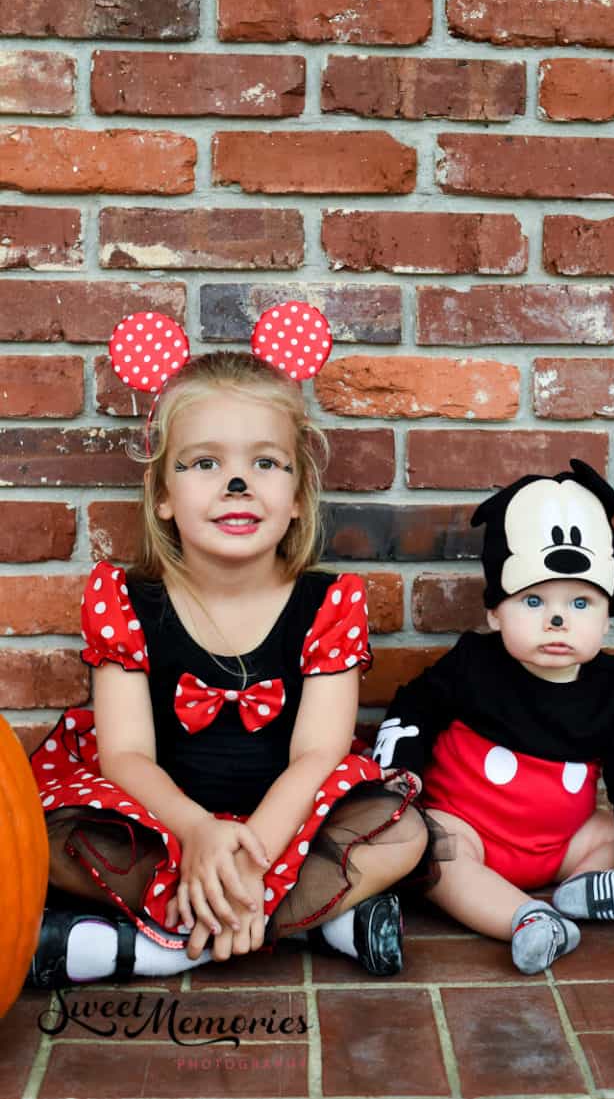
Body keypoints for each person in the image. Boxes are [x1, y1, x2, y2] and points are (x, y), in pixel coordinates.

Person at [27, 304, 426, 988]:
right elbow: (125, 755)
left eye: (265, 462)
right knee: (47, 836)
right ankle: (318, 922)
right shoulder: (126, 600)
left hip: (287, 820)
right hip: (162, 819)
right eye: (205, 462)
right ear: (162, 494)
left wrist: (250, 856)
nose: (236, 484)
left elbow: (317, 755)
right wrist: (198, 833)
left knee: (405, 833)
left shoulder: (329, 603)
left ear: (297, 496)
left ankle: (156, 946)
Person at [373, 459, 614, 976]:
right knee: (430, 849)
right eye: (533, 600)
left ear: (607, 618)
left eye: (581, 602)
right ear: (495, 612)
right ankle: (526, 918)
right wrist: (401, 770)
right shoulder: (473, 664)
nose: (557, 619)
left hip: (562, 845)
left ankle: (583, 892)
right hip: (470, 831)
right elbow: (414, 709)